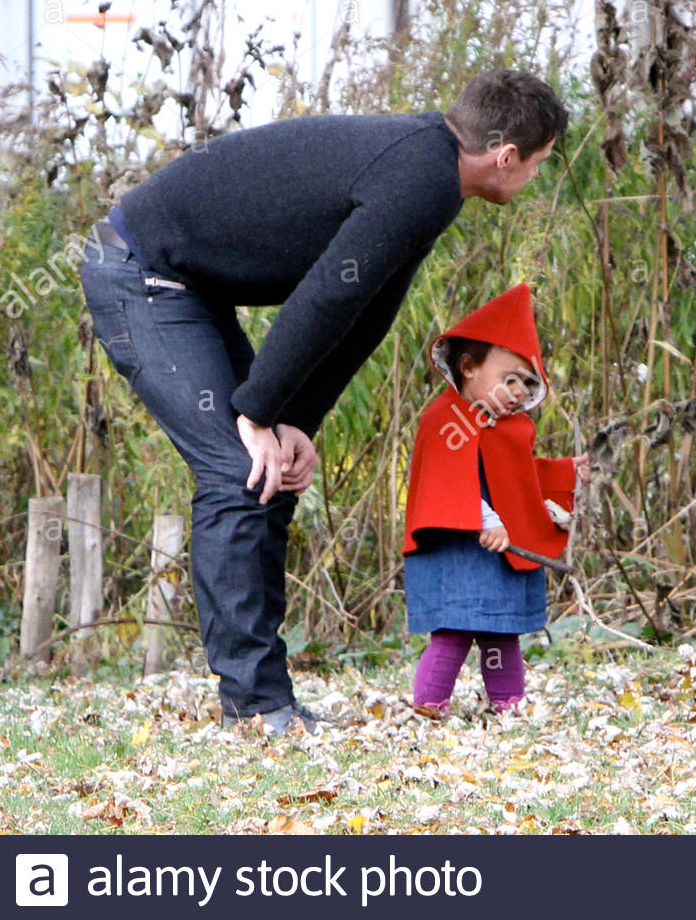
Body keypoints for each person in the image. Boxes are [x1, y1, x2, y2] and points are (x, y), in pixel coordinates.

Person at [79, 70, 567, 733]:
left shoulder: (434, 173)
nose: (534, 176)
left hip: (189, 284)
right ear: (506, 157)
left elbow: (366, 306)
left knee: (270, 474)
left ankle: (267, 697)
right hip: (140, 272)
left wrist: (294, 420)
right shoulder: (422, 173)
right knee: (238, 471)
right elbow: (326, 298)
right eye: (538, 163)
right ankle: (254, 708)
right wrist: (256, 415)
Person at [401, 283, 588, 718]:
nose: (519, 391)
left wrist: (567, 475)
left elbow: (520, 478)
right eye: (508, 378)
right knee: (453, 632)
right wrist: (484, 519)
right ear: (468, 367)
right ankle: (429, 707)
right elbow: (447, 480)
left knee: (501, 633)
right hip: (457, 550)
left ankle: (508, 706)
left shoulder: (513, 428)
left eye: (527, 381)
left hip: (503, 551)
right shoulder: (445, 418)